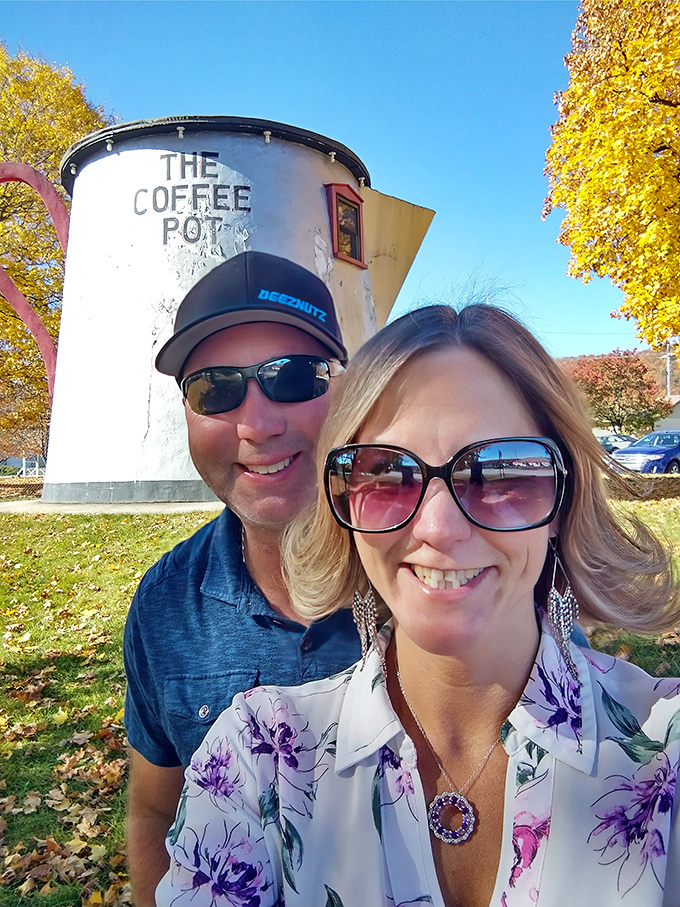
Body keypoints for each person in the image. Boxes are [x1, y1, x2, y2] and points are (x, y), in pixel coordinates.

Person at [156, 303, 680, 907]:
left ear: (562, 499)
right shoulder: (259, 760)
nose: (438, 528)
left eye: (500, 471)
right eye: (386, 473)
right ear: (342, 506)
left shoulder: (663, 747)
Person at [123, 251, 361, 905]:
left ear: (347, 391)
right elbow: (155, 809)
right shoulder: (166, 606)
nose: (258, 424)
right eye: (215, 389)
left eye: (294, 377)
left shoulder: (439, 573)